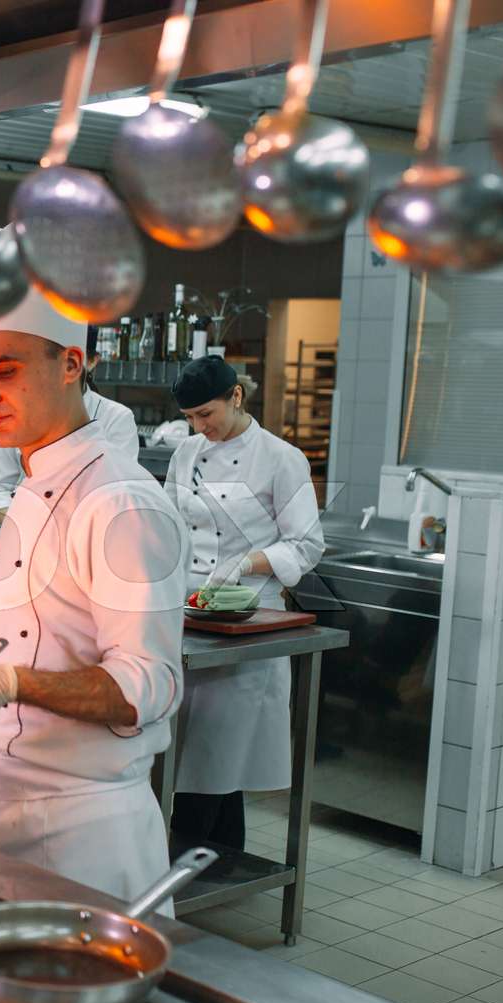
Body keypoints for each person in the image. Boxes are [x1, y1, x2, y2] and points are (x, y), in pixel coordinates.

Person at [0, 292, 188, 904]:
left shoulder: (119, 500)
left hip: (85, 837)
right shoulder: (30, 487)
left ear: (71, 365)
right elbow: (18, 655)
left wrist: (10, 684)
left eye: (5, 371)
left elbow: (149, 686)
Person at [164, 356, 324, 852]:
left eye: (206, 414)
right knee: (200, 752)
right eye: (190, 417)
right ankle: (224, 856)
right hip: (189, 613)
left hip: (249, 619)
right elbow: (170, 526)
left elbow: (307, 545)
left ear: (236, 396)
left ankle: (179, 867)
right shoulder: (186, 454)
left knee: (217, 747)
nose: (198, 427)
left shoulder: (281, 458)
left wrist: (249, 563)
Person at [0, 304, 140, 523]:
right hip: (20, 539)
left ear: (90, 362)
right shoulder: (17, 413)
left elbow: (115, 497)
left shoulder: (116, 418)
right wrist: (21, 524)